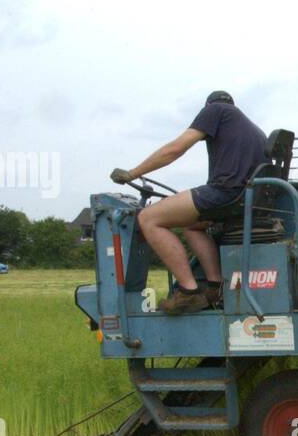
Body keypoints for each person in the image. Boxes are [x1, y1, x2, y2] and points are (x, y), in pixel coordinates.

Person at [110, 90, 268, 314]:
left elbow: (175, 150)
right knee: (192, 224)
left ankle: (188, 291)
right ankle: (214, 287)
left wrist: (132, 173)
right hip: (244, 198)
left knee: (148, 217)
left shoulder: (215, 111)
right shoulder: (253, 129)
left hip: (226, 193)